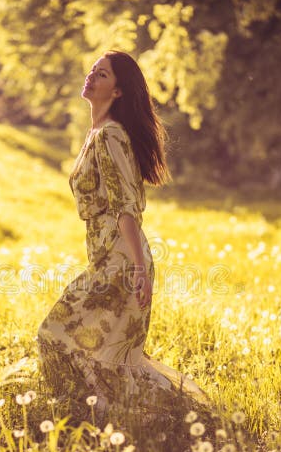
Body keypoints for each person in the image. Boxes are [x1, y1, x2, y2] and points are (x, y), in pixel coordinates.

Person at [36, 50, 207, 419]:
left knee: (54, 336)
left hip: (121, 260)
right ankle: (125, 418)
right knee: (109, 358)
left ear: (117, 91)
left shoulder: (111, 134)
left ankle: (167, 414)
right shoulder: (97, 132)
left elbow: (125, 205)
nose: (91, 77)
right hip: (109, 256)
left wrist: (139, 269)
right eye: (93, 71)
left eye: (102, 75)